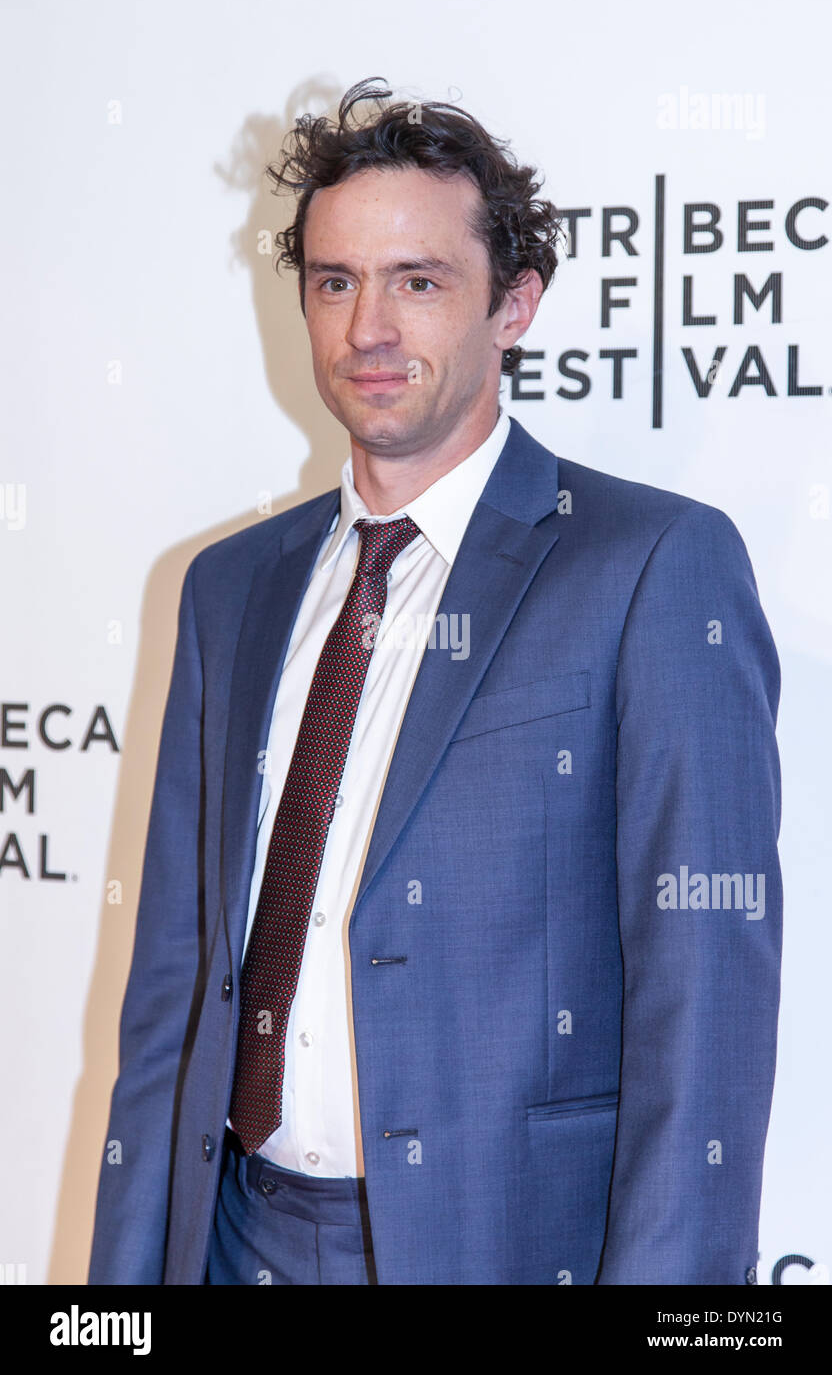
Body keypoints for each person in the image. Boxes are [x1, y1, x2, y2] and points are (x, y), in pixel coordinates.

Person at [88, 77, 782, 1286]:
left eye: (419, 282)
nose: (368, 330)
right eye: (334, 281)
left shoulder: (651, 565)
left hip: (499, 1249)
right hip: (234, 1235)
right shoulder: (229, 588)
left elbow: (704, 1010)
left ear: (513, 304)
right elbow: (172, 991)